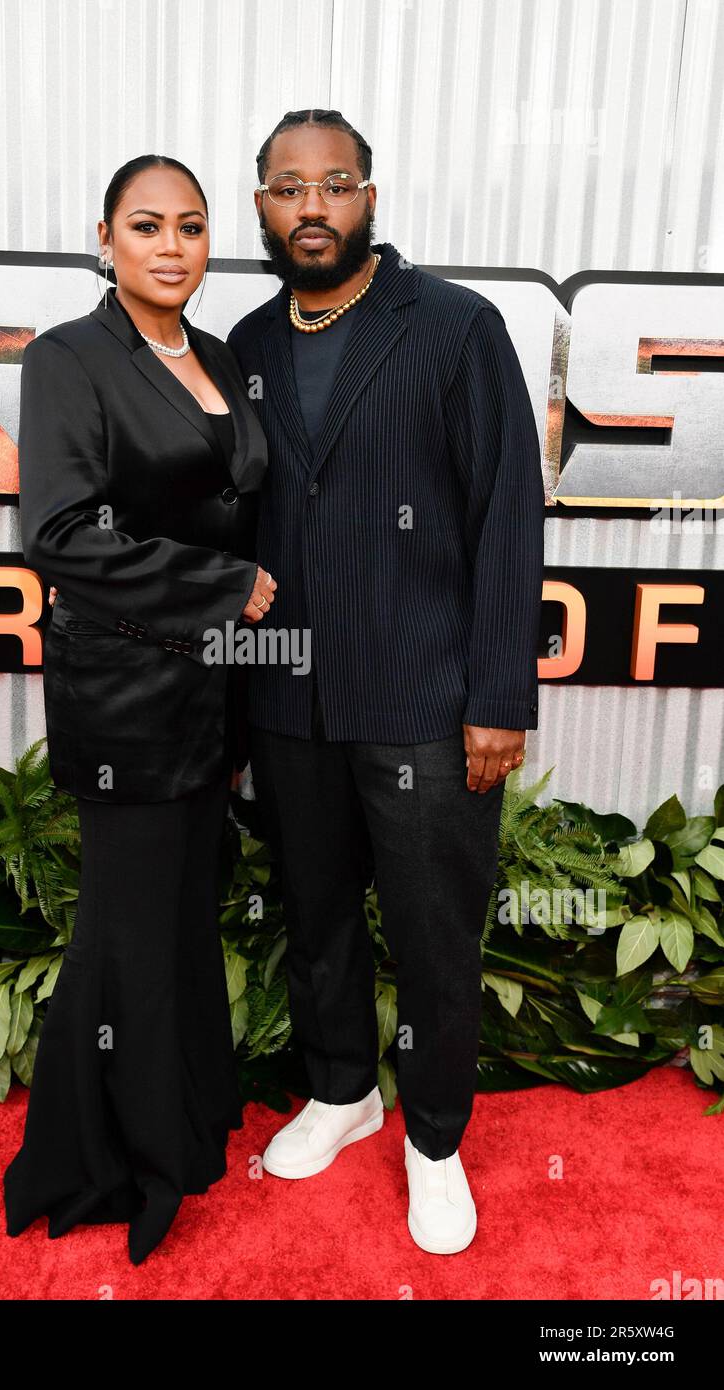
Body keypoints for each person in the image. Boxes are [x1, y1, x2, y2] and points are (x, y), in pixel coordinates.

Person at [226, 110, 545, 1255]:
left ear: (370, 194)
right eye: (286, 188)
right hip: (288, 697)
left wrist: (498, 695)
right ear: (260, 203)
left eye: (335, 183)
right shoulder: (246, 344)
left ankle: (435, 1141)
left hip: (422, 693)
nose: (312, 206)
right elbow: (236, 529)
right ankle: (341, 1090)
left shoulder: (455, 326)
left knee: (431, 933)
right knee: (315, 918)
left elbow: (507, 513)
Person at [3, 154, 276, 1265]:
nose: (172, 246)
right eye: (147, 225)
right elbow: (60, 535)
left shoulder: (217, 359)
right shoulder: (70, 358)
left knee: (180, 918)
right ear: (105, 237)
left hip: (212, 693)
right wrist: (223, 589)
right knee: (125, 933)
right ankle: (104, 1160)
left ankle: (186, 1113)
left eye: (193, 227)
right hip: (122, 696)